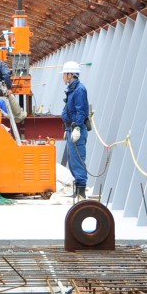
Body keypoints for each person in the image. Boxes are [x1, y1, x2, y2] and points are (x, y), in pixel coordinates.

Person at [60, 60, 89, 199]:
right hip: (71, 128)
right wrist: (67, 128)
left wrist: (77, 127)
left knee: (78, 159)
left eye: (64, 74)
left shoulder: (79, 90)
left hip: (77, 128)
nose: (63, 77)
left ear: (70, 75)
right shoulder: (72, 90)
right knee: (73, 161)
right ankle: (77, 189)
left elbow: (81, 111)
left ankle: (81, 191)